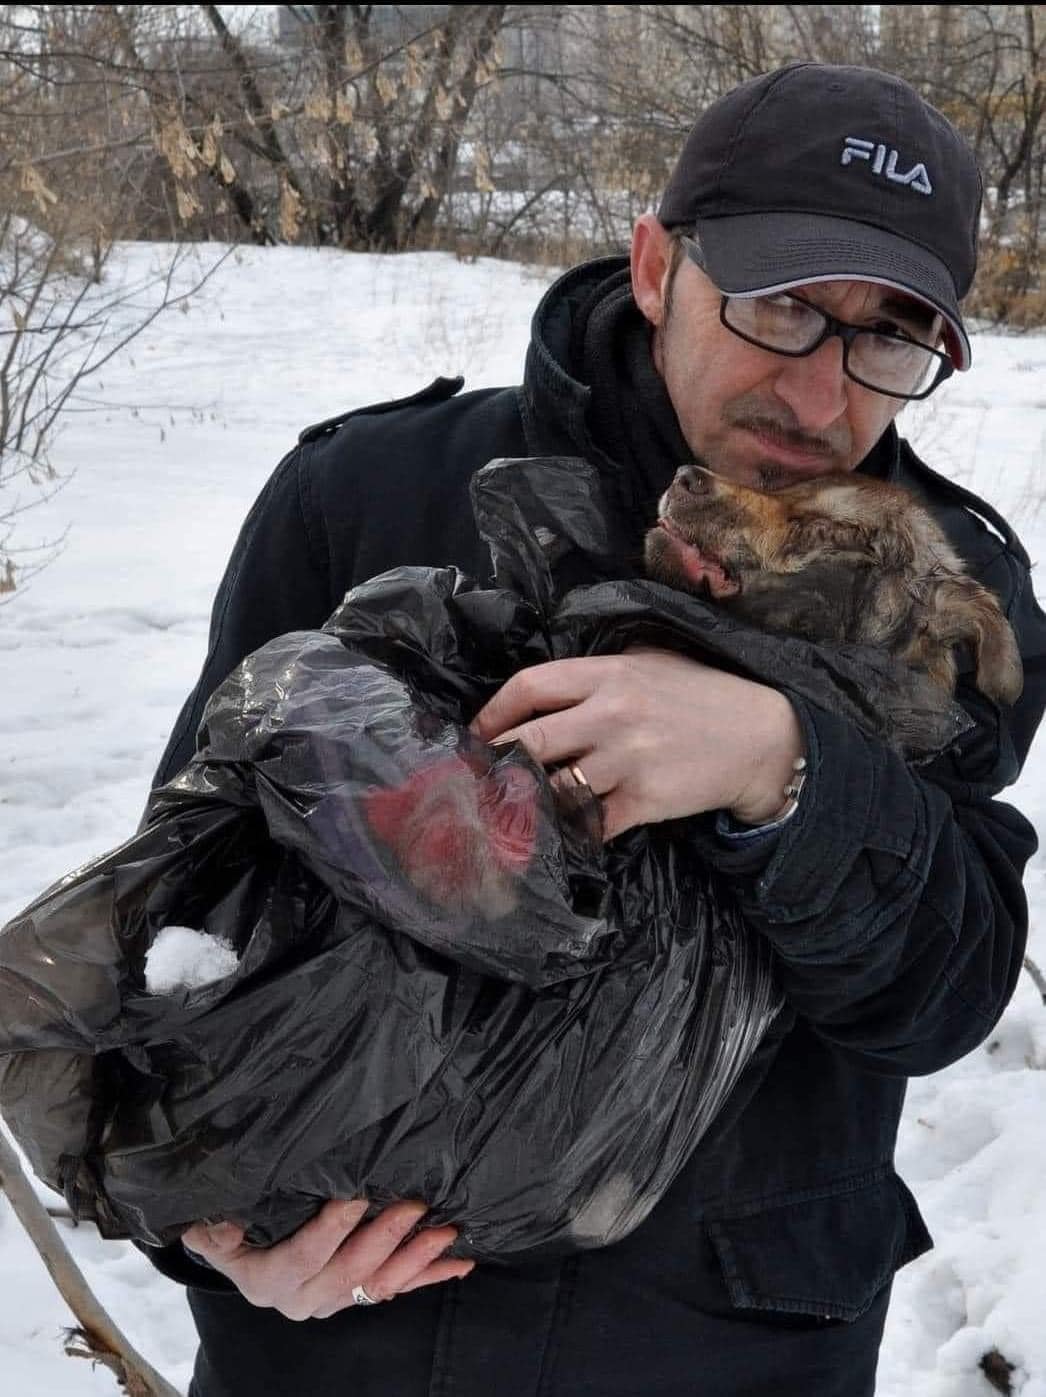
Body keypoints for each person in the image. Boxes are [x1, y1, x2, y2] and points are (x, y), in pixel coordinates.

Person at [143, 63, 1046, 1397]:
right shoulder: (373, 493)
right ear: (651, 263)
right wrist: (209, 1230)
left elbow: (946, 984)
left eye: (889, 337)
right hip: (358, 1348)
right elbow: (175, 931)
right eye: (779, 308)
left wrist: (781, 766)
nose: (819, 396)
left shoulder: (946, 593)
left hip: (730, 1352)